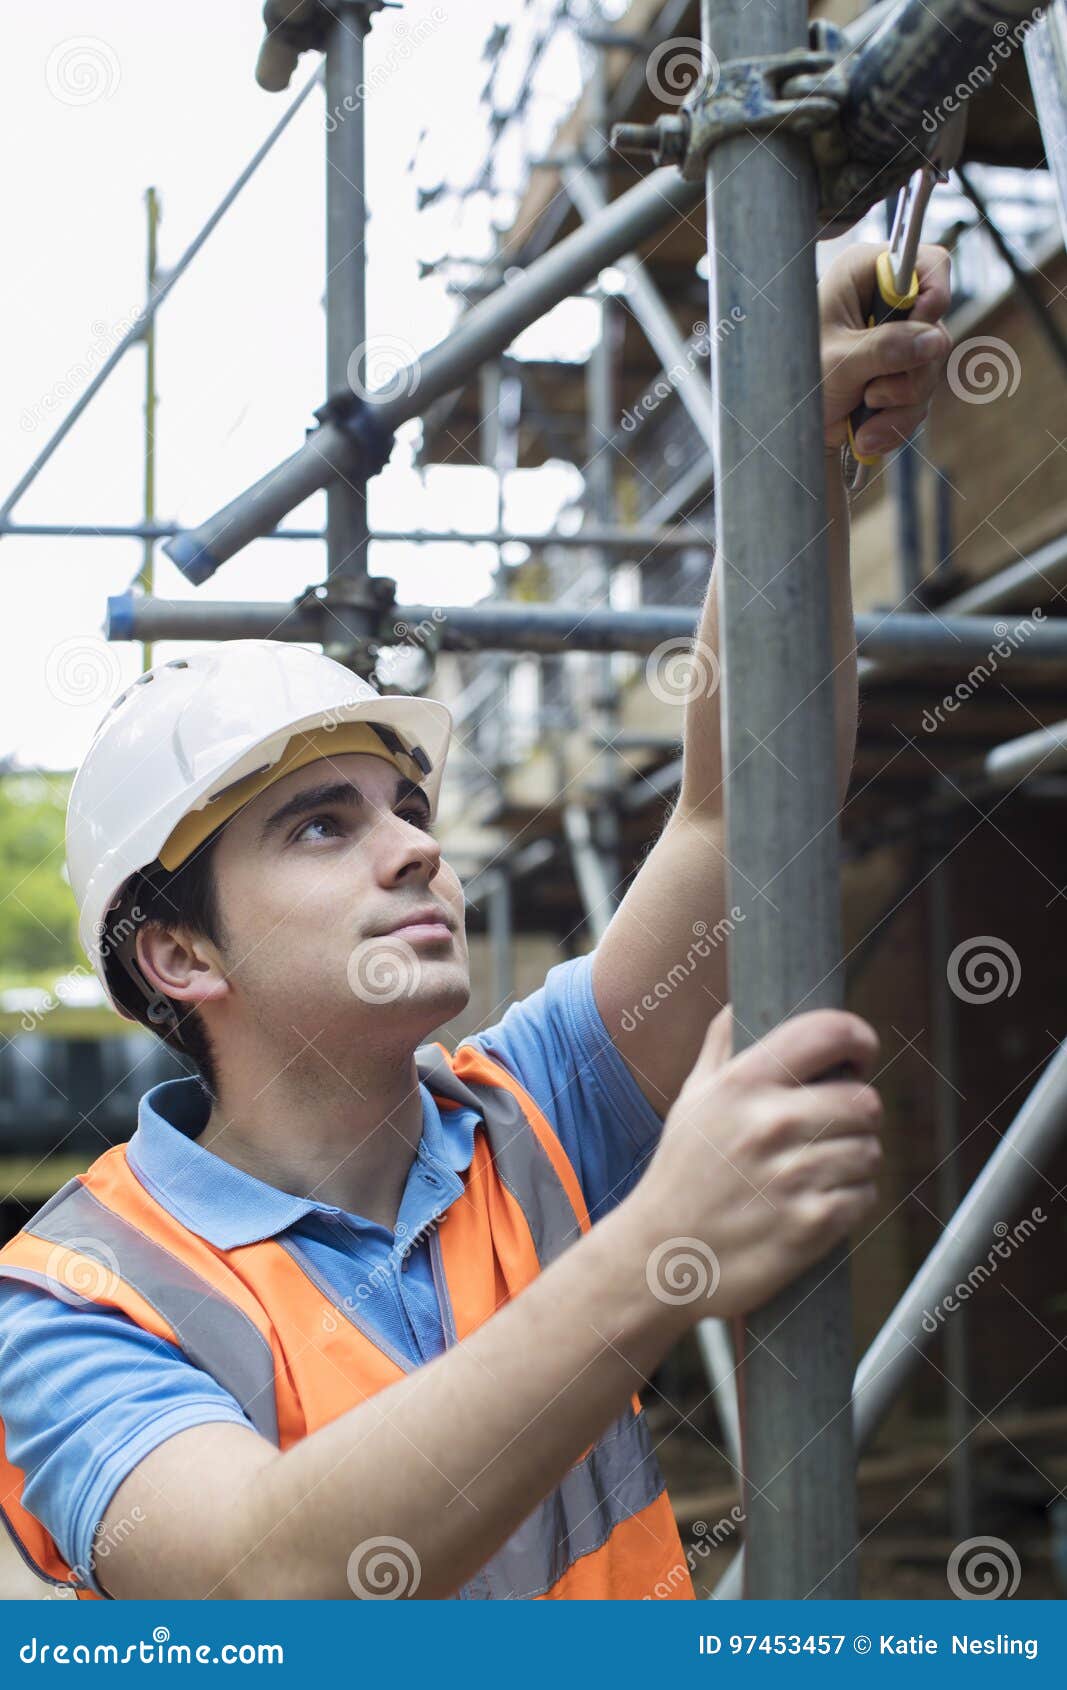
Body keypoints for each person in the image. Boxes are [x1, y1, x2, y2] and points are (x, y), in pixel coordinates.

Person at [0, 242, 951, 1601]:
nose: (415, 849)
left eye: (404, 805)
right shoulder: (76, 1294)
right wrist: (657, 1247)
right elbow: (266, 1576)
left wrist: (782, 420)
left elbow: (742, 809)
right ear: (178, 951)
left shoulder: (533, 1105)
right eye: (324, 825)